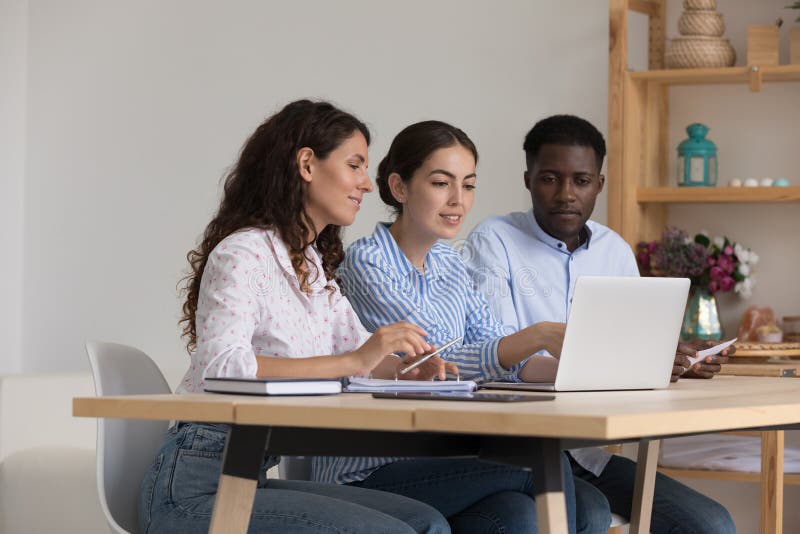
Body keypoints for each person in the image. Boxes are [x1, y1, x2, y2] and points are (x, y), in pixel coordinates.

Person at [139, 99, 452, 534]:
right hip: (195, 488)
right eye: (355, 165)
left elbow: (358, 352)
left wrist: (407, 370)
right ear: (307, 164)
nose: (365, 184)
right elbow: (220, 369)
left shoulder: (313, 268)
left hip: (251, 475)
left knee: (427, 521)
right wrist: (355, 362)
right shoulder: (243, 253)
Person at [315, 120, 606, 534]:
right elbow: (437, 362)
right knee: (543, 465)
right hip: (375, 465)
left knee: (567, 509)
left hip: (444, 454)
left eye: (468, 185)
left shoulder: (452, 263)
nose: (458, 200)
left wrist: (585, 369)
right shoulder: (368, 262)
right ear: (399, 188)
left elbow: (496, 354)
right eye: (441, 183)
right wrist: (536, 335)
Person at [461, 114, 736, 533]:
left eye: (582, 181)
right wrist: (635, 365)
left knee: (711, 524)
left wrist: (674, 363)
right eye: (550, 179)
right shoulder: (493, 240)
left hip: (586, 453)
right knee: (587, 515)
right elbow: (501, 357)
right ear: (528, 179)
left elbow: (633, 349)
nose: (566, 194)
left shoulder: (614, 250)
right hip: (519, 453)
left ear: (600, 184)